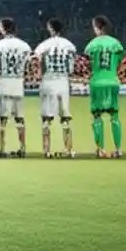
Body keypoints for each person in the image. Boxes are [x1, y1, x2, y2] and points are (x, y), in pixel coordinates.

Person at [0, 17, 31, 158]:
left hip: (3, 84)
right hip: (17, 83)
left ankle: (1, 149)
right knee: (19, 119)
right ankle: (22, 148)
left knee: (2, 119)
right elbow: (27, 68)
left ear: (2, 29)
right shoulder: (25, 46)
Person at [33, 18, 76, 159]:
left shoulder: (44, 45)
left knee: (47, 118)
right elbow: (71, 68)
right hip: (63, 81)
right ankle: (68, 149)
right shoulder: (69, 45)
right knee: (65, 117)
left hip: (49, 80)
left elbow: (36, 60)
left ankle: (47, 150)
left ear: (50, 29)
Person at [84, 15, 125, 159]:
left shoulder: (91, 45)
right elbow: (119, 61)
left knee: (97, 116)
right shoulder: (116, 44)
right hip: (112, 80)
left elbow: (87, 64)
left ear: (97, 27)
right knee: (114, 116)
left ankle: (100, 149)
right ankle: (118, 149)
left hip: (97, 82)